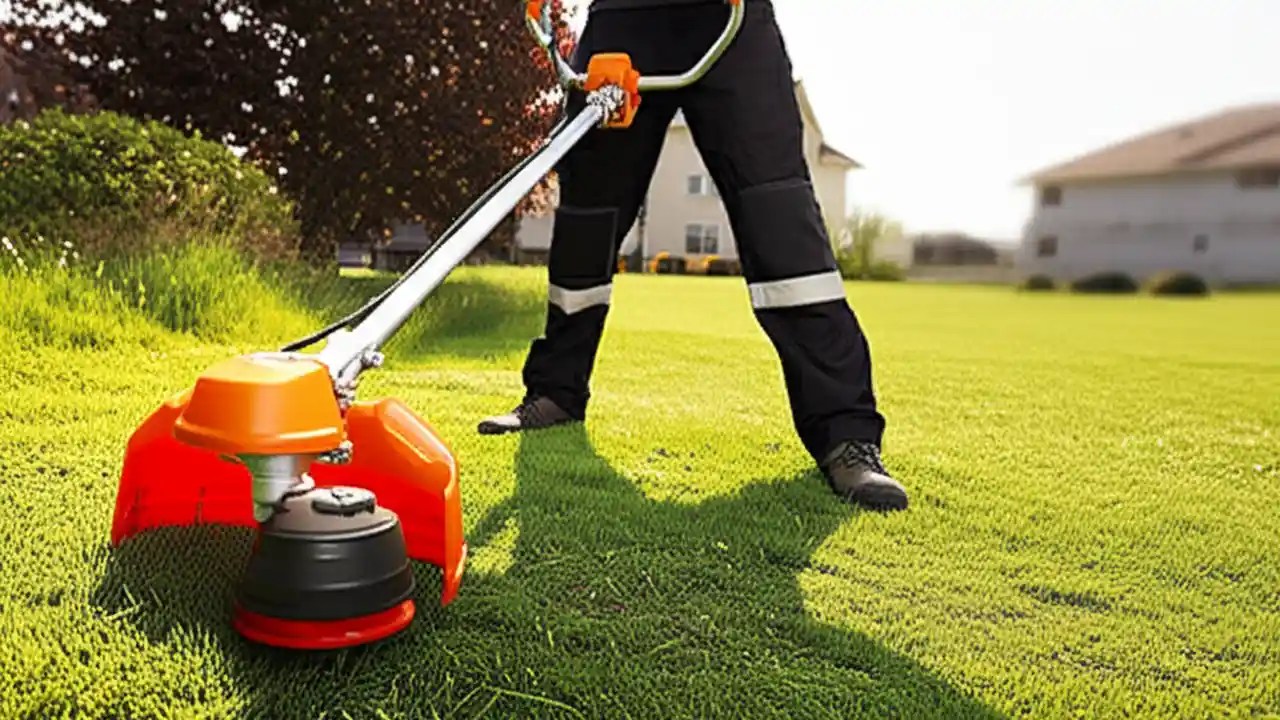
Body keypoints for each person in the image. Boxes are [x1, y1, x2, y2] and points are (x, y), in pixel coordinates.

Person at [478, 0, 908, 512]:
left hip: (731, 22)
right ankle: (555, 392)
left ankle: (845, 433)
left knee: (780, 221)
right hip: (624, 19)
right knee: (586, 224)